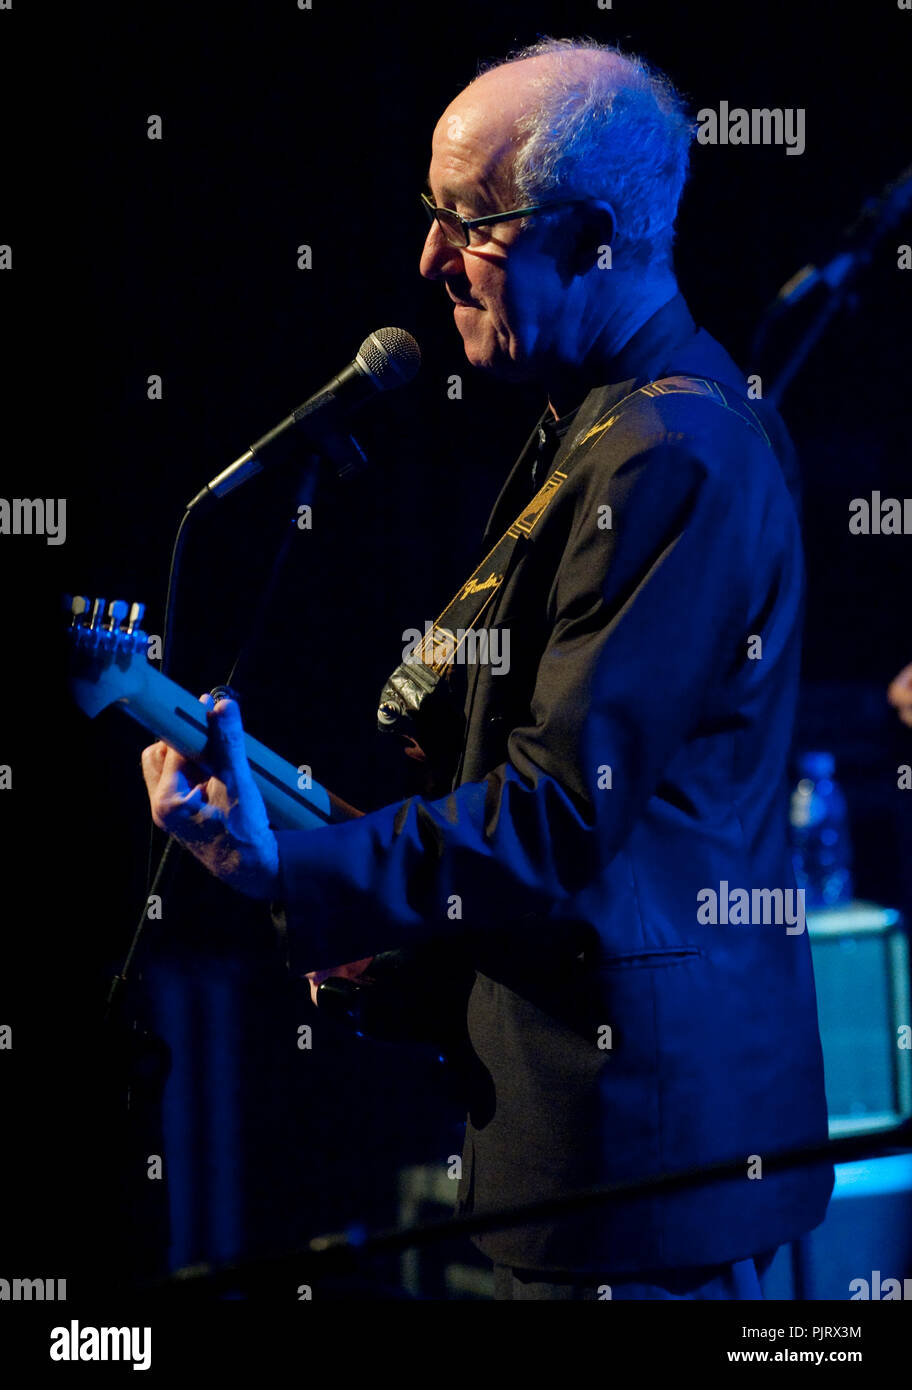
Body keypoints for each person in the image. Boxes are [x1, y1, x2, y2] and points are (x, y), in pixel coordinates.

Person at [141, 37, 834, 1299]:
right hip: (605, 1134)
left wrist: (298, 863)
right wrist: (370, 925)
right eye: (432, 215)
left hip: (641, 1161)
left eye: (469, 220)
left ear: (590, 237)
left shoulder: (670, 448)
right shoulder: (599, 419)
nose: (427, 261)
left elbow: (566, 808)